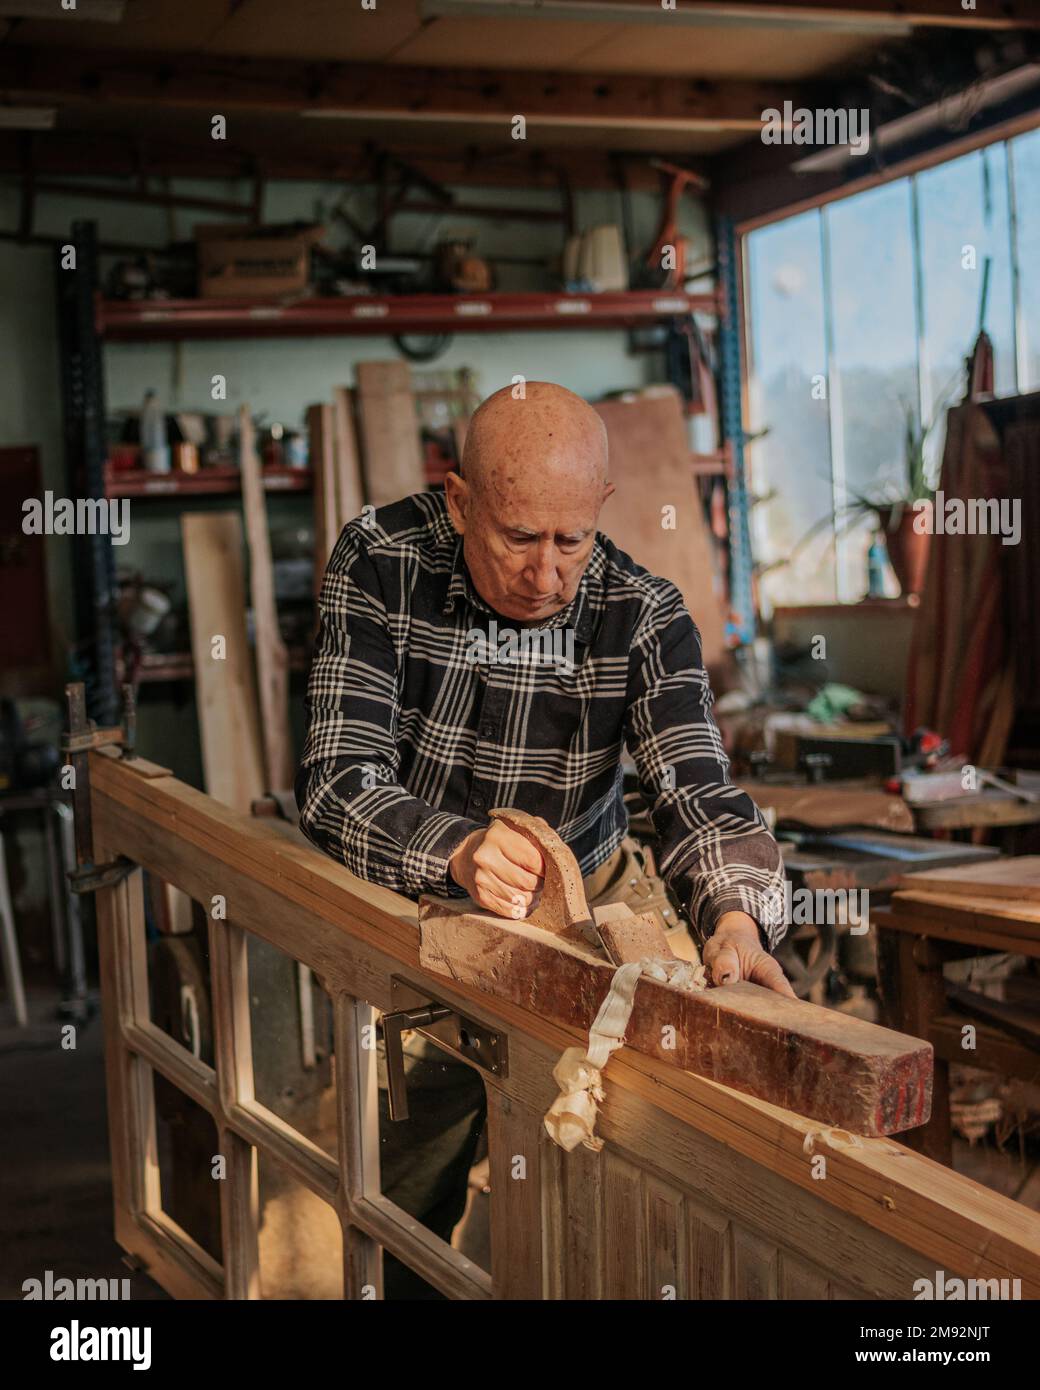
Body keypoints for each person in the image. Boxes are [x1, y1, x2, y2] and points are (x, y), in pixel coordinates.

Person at [296, 381, 791, 1297]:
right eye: (518, 538)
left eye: (574, 540)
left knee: (600, 1196)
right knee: (406, 1196)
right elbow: (336, 780)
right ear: (459, 501)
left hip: (589, 922)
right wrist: (450, 846)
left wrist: (735, 915)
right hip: (426, 920)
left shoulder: (643, 613)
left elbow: (699, 791)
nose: (547, 574)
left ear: (602, 509)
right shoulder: (381, 560)